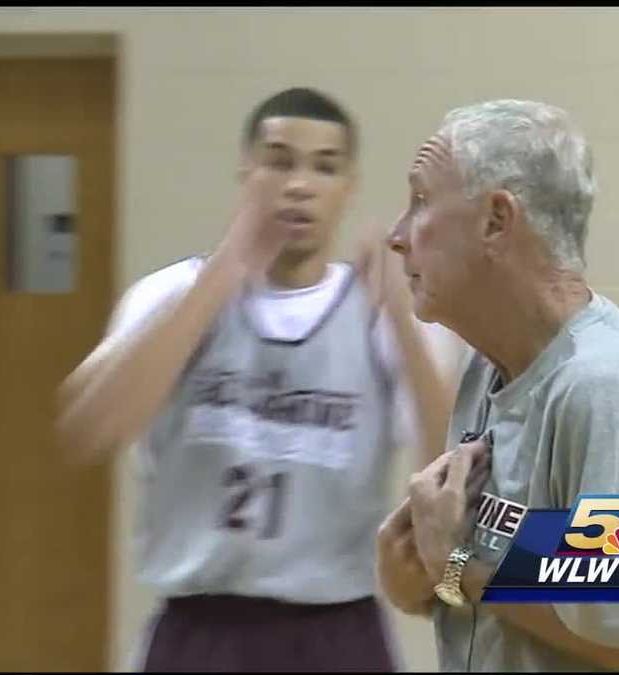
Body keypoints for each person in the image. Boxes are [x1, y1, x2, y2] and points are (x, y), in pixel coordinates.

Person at [57, 87, 463, 671]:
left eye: (324, 167)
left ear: (347, 186)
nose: (299, 184)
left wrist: (402, 318)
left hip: (333, 625)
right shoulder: (174, 294)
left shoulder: (382, 310)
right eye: (279, 161)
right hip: (201, 623)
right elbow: (90, 428)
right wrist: (223, 276)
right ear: (247, 172)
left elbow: (447, 464)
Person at [375, 99, 619, 671]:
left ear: (496, 220)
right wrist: (421, 582)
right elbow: (539, 595)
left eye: (421, 201)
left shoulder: (606, 389)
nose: (397, 236)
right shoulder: (487, 369)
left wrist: (454, 563)